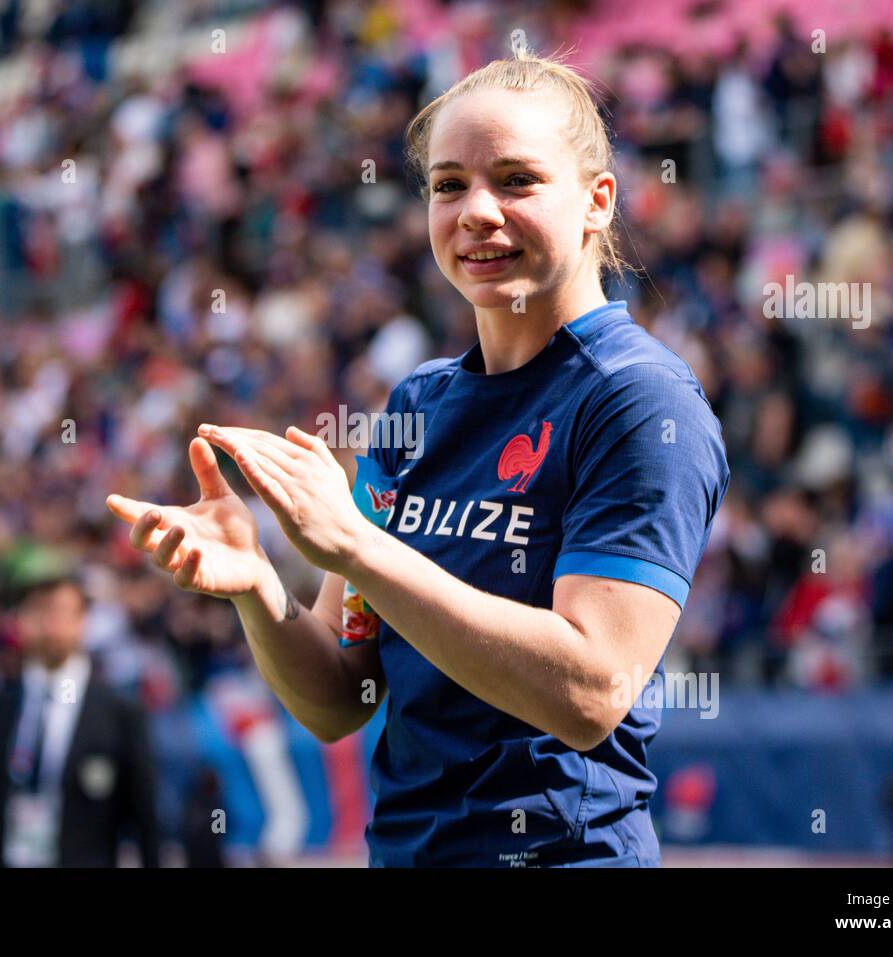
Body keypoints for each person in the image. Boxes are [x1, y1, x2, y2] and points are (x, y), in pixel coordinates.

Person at [108, 49, 729, 866]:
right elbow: (340, 693)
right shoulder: (416, 407)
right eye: (448, 185)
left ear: (597, 201)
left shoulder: (639, 400)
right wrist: (259, 586)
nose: (476, 211)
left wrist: (360, 544)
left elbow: (592, 690)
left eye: (515, 180)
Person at [0, 565, 162, 867]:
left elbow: (146, 818)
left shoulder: (120, 714)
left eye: (63, 612)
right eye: (41, 611)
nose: (52, 624)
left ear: (83, 622)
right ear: (21, 621)